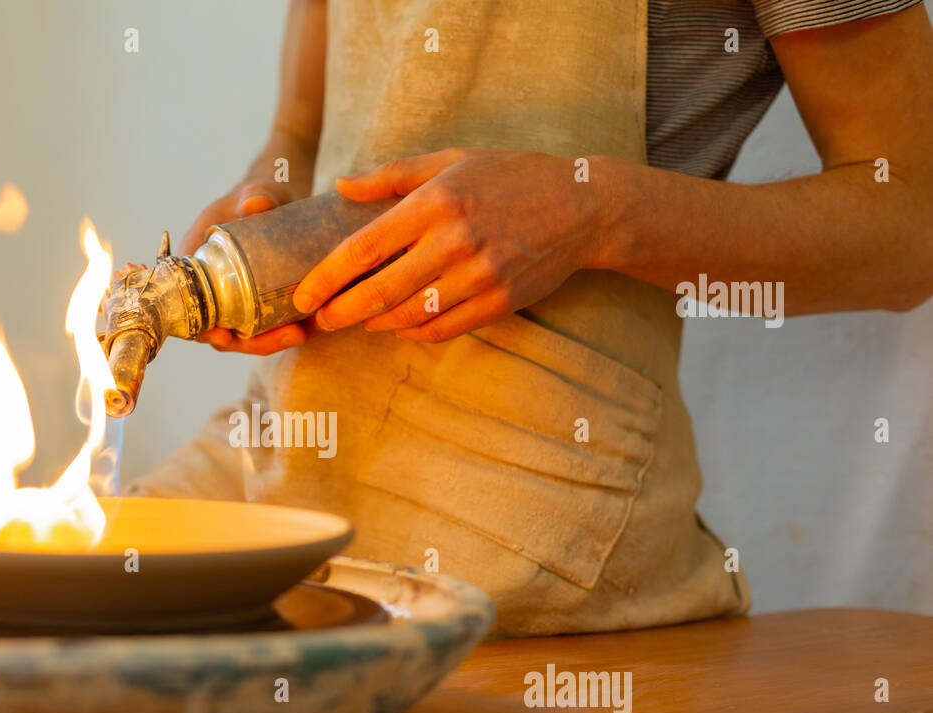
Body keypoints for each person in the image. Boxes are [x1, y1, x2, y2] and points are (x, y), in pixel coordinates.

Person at [129, 0, 933, 637]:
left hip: (534, 495)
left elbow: (908, 228)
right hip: (294, 435)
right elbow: (298, 131)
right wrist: (262, 207)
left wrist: (592, 211)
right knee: (42, 615)